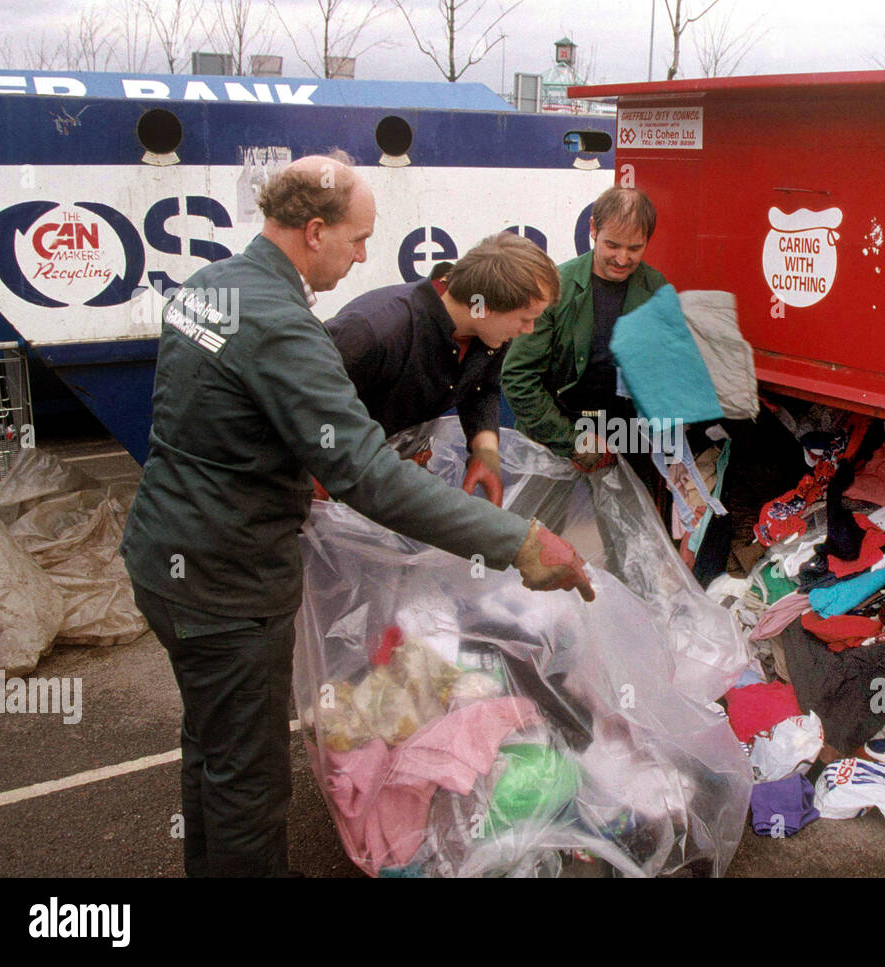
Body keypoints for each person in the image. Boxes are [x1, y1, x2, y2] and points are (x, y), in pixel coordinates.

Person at [120, 152, 593, 878]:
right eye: (358, 239)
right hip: (228, 580)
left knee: (213, 748)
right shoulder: (288, 326)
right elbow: (368, 475)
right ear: (314, 231)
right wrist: (520, 540)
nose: (366, 255)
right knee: (250, 782)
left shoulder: (211, 286)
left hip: (167, 551)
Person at [325, 232, 559, 506]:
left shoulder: (488, 334)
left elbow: (481, 387)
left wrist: (485, 452)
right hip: (330, 477)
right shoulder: (376, 330)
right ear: (486, 307)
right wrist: (320, 473)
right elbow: (305, 403)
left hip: (391, 475)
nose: (529, 330)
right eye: (524, 319)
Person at [501, 187, 668, 475]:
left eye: (634, 248)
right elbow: (518, 377)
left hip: (627, 441)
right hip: (553, 441)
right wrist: (572, 440)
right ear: (593, 229)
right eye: (612, 245)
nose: (622, 258)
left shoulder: (656, 289)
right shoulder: (554, 288)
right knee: (543, 522)